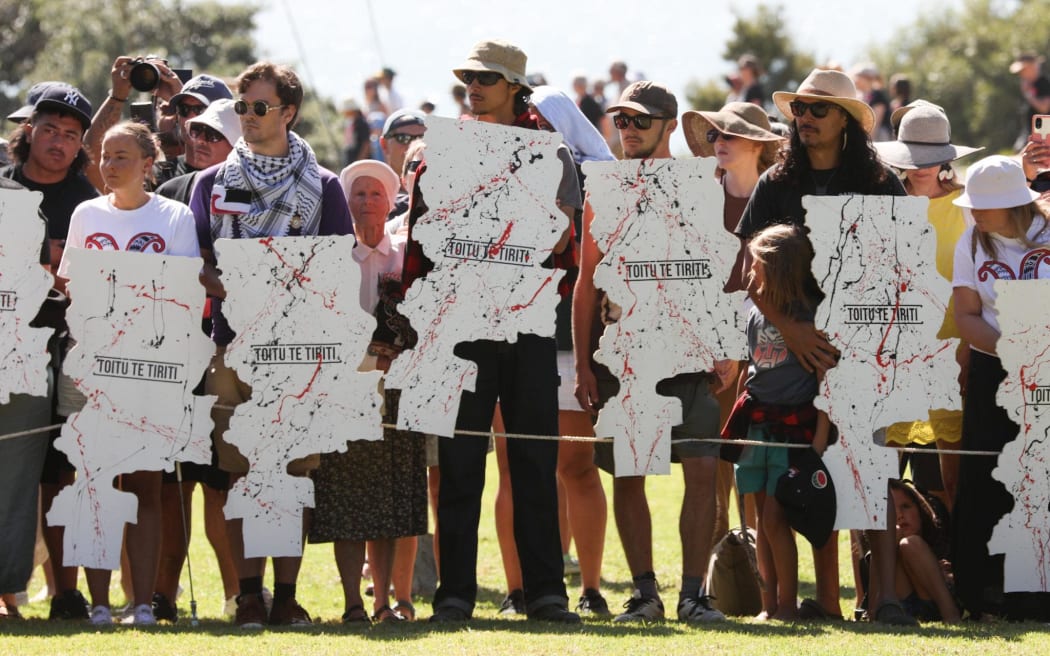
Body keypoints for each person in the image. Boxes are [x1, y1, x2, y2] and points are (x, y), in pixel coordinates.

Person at [736, 68, 913, 625]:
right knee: (790, 477)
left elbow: (904, 264)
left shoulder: (882, 182)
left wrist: (863, 340)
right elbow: (747, 268)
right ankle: (796, 602)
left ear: (846, 121)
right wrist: (789, 328)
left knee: (869, 467)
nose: (805, 119)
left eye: (819, 109)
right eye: (800, 110)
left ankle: (884, 598)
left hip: (862, 341)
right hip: (790, 342)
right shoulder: (774, 184)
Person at [188, 61, 352, 628]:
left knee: (291, 473)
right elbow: (198, 264)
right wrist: (226, 284)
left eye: (260, 108)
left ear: (288, 112)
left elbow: (336, 271)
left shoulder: (325, 187)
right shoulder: (209, 184)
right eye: (242, 107)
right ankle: (248, 594)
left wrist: (285, 289)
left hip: (297, 351)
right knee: (238, 473)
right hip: (231, 345)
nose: (249, 118)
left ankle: (287, 596)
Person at [425, 39, 580, 625]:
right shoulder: (440, 149)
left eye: (487, 76)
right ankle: (455, 596)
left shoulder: (553, 152)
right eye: (469, 75)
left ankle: (545, 594)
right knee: (461, 467)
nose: (474, 84)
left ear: (516, 87)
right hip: (461, 325)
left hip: (531, 325)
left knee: (534, 466)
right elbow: (427, 237)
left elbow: (562, 240)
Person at [574, 80, 724, 624]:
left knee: (703, 469)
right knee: (631, 471)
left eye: (640, 120)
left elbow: (718, 272)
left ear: (668, 124)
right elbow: (586, 283)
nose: (628, 130)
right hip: (624, 354)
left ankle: (693, 594)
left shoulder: (701, 183)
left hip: (691, 352)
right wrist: (585, 362)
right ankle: (645, 595)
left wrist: (725, 347)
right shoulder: (604, 188)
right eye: (621, 120)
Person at [57, 121, 201, 625]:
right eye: (105, 157)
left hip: (150, 369)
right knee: (93, 481)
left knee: (144, 485)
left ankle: (142, 603)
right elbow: (72, 287)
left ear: (148, 163)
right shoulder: (84, 213)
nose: (109, 165)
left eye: (122, 156)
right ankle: (98, 604)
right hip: (89, 364)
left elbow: (182, 290)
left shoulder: (175, 216)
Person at [309, 160, 427, 624]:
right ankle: (353, 603)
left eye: (375, 194)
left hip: (398, 393)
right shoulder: (332, 256)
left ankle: (384, 602)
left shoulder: (406, 256)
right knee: (346, 500)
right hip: (344, 390)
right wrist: (369, 360)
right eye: (357, 194)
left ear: (389, 200)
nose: (366, 203)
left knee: (390, 500)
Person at [2, 82, 98, 622]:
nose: (58, 142)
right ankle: (7, 596)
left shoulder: (88, 203)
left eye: (70, 134)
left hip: (70, 351)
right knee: (8, 474)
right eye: (49, 130)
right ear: (28, 130)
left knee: (62, 473)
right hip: (6, 351)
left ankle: (61, 591)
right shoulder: (0, 189)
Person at [681, 99, 784, 580]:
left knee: (755, 465)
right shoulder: (697, 193)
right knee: (709, 468)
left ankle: (759, 579)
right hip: (701, 343)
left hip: (768, 346)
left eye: (732, 134)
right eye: (716, 134)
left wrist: (740, 348)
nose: (719, 141)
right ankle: (711, 580)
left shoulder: (781, 199)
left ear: (759, 145)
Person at [151, 97, 243, 620]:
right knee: (169, 483)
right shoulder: (166, 195)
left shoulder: (255, 191)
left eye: (214, 134)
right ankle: (162, 592)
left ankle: (236, 594)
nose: (199, 141)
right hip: (171, 352)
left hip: (223, 352)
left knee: (218, 481)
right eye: (196, 133)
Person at [950, 155, 1049, 619]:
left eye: (983, 205)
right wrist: (1013, 350)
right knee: (988, 478)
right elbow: (966, 315)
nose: (974, 213)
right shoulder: (970, 240)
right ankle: (984, 593)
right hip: (994, 372)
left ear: (1014, 205)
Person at [874, 104, 984, 511]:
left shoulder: (970, 208)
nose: (918, 167)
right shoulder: (883, 206)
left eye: (929, 158)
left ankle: (954, 570)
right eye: (912, 157)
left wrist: (972, 349)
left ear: (947, 159)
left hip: (955, 359)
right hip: (894, 361)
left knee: (952, 481)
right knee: (881, 480)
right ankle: (885, 572)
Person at [731, 223, 833, 621]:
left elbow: (825, 375)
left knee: (776, 517)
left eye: (756, 263)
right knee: (761, 518)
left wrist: (820, 437)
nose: (750, 270)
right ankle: (768, 603)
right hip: (758, 423)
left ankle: (788, 604)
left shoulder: (807, 313)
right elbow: (751, 365)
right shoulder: (754, 309)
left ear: (777, 266)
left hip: (793, 429)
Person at [890, 479, 960, 622]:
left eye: (905, 506)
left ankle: (950, 613)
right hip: (906, 608)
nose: (899, 515)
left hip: (936, 602)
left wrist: (945, 573)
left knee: (910, 544)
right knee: (897, 545)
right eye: (890, 510)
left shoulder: (940, 540)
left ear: (920, 509)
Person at [379, 109, 426, 217]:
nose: (414, 145)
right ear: (384, 145)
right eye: (403, 138)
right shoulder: (368, 196)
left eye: (422, 138)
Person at [1010, 53, 1050, 150]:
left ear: (1033, 66)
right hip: (1031, 133)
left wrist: (1028, 94)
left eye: (1023, 70)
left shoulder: (1044, 83)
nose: (1021, 74)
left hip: (1043, 134)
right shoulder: (1031, 84)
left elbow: (1044, 108)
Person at [341, 97, 372, 165]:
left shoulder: (362, 123)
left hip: (360, 165)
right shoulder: (351, 123)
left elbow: (366, 144)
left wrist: (359, 163)